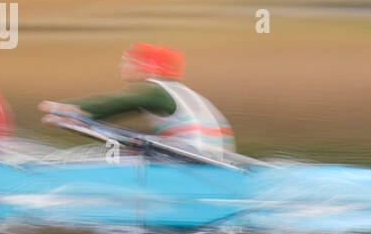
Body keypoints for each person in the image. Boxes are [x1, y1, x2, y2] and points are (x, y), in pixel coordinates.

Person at [39, 43, 233, 158]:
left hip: (193, 163)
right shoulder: (186, 93)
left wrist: (73, 109)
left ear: (145, 66)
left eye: (126, 61)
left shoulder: (154, 91)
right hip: (218, 160)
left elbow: (118, 102)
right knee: (134, 146)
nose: (120, 66)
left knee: (125, 152)